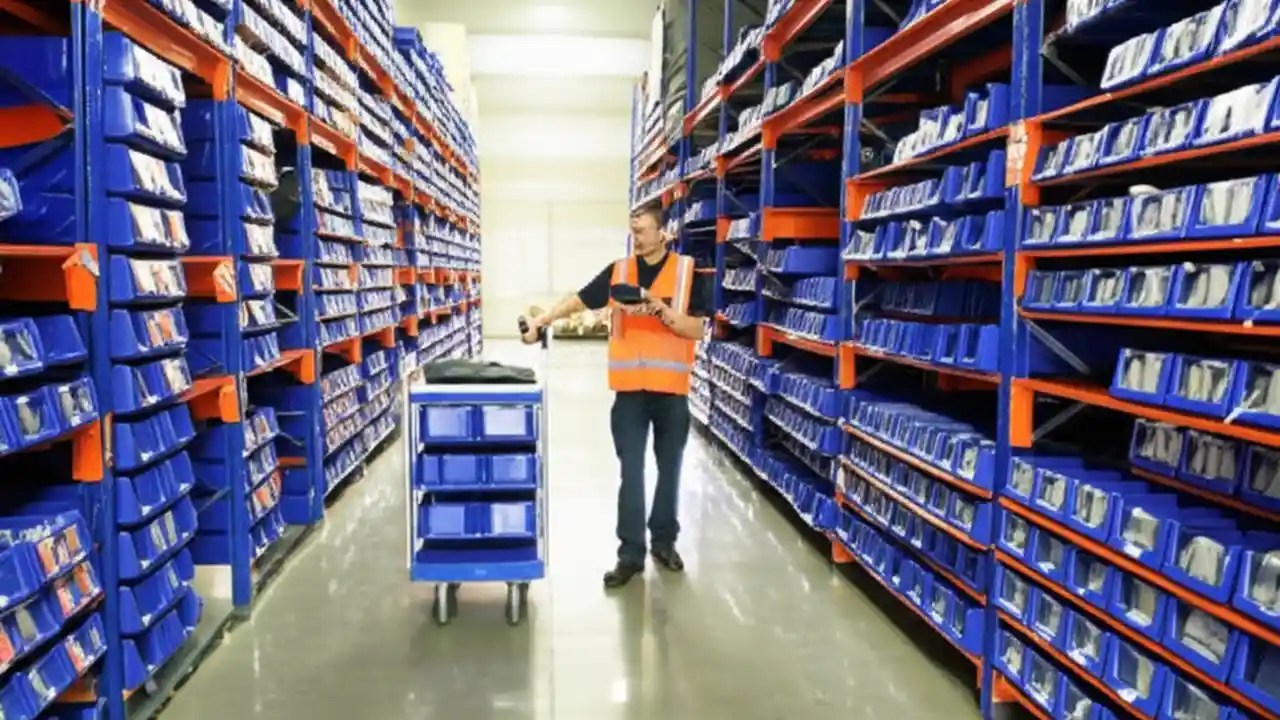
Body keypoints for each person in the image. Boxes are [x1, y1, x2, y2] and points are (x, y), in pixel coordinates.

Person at [521, 202, 712, 588]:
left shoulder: (688, 272)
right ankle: (630, 555)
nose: (635, 238)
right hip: (629, 394)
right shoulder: (619, 271)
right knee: (631, 473)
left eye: (642, 231)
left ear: (662, 233)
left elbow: (696, 330)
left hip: (672, 393)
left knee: (670, 471)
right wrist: (542, 320)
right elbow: (580, 299)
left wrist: (655, 307)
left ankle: (664, 543)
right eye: (633, 231)